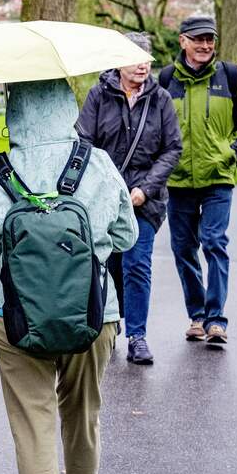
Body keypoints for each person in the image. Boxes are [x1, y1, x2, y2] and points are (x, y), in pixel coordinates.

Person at [0, 79, 137, 474]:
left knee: (33, 425)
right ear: (67, 106)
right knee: (82, 414)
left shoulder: (0, 170)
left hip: (15, 315)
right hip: (92, 312)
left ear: (14, 110)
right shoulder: (97, 163)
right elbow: (126, 235)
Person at [76, 31, 182, 365]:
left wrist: (145, 189)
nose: (142, 66)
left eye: (146, 59)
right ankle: (111, 324)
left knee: (137, 265)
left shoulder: (160, 99)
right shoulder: (99, 95)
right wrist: (107, 186)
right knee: (109, 264)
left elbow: (172, 148)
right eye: (135, 59)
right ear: (118, 62)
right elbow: (84, 141)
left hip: (145, 200)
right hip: (106, 198)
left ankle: (137, 336)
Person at [158, 16, 237, 345]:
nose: (205, 45)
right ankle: (197, 316)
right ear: (183, 41)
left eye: (210, 40)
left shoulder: (229, 75)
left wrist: (230, 153)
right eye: (198, 39)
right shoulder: (167, 79)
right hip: (178, 181)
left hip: (218, 178)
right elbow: (156, 127)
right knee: (183, 249)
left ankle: (216, 319)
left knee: (214, 242)